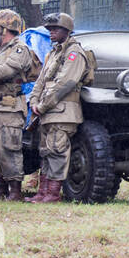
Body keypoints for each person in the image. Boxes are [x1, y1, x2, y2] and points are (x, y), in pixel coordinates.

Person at [26, 12, 86, 204]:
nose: (51, 32)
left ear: (66, 31)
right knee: (45, 151)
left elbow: (65, 84)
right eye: (50, 29)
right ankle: (43, 192)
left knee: (57, 151)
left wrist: (41, 106)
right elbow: (41, 81)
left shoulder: (74, 52)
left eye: (55, 29)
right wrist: (34, 102)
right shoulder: (53, 53)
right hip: (48, 112)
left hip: (63, 111)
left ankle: (52, 194)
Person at [0, 9, 39, 201]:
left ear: (5, 28)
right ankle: (1, 189)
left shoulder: (19, 48)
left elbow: (8, 70)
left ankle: (15, 191)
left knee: (9, 148)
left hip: (9, 106)